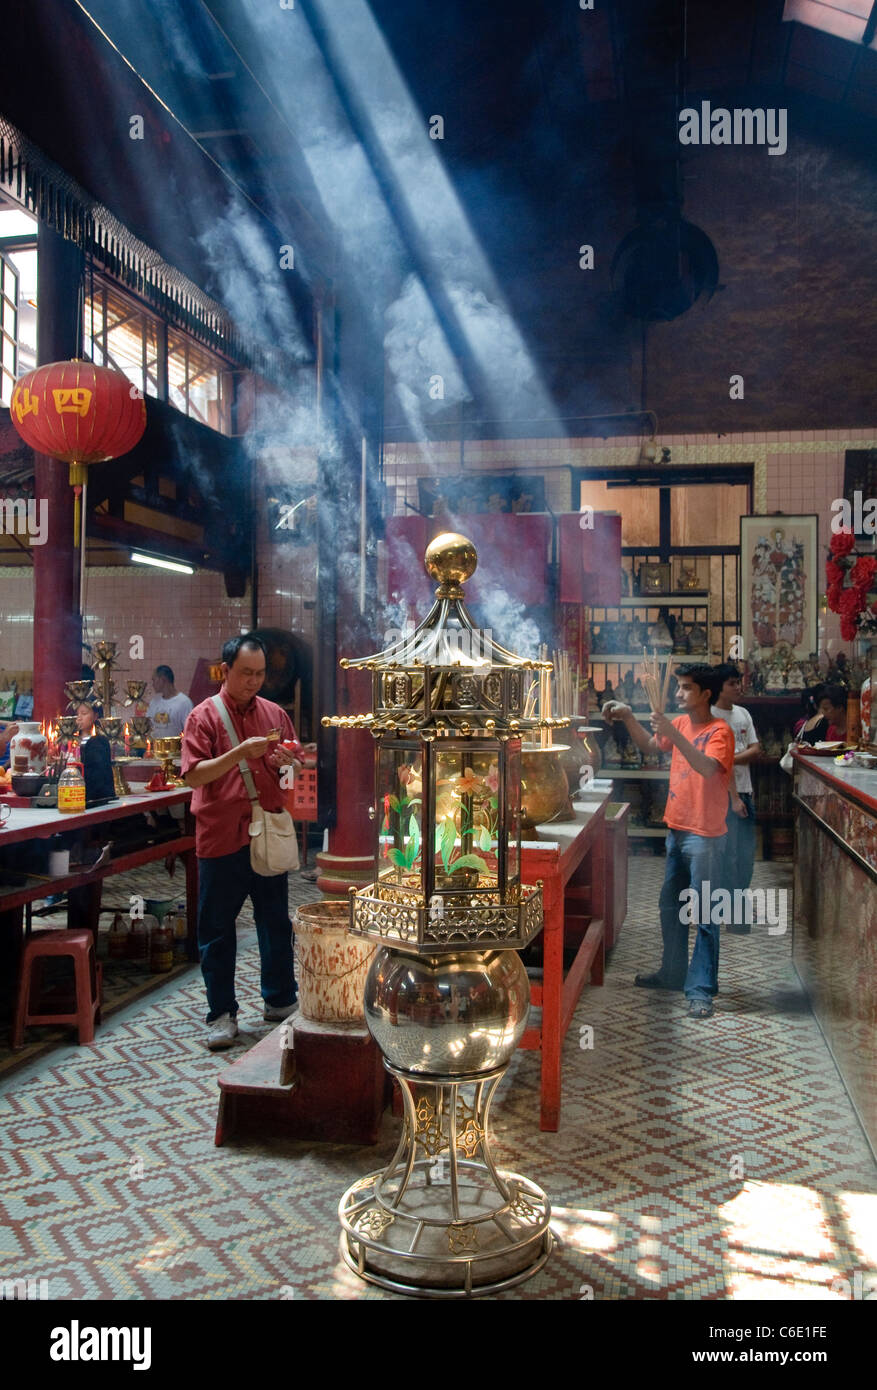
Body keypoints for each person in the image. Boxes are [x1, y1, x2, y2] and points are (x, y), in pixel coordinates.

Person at [181, 634, 304, 1050]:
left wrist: (287, 763)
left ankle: (280, 999)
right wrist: (239, 754)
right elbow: (194, 775)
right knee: (216, 928)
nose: (254, 681)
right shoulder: (203, 717)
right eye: (246, 673)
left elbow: (292, 768)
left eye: (260, 674)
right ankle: (221, 1014)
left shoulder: (274, 714)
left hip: (266, 831)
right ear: (225, 670)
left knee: (274, 921)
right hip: (221, 838)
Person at [603, 663, 734, 1019]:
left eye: (686, 688)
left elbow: (708, 768)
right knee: (670, 908)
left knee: (705, 915)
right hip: (677, 830)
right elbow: (649, 746)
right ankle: (673, 974)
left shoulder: (720, 730)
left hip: (705, 836)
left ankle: (701, 989)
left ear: (706, 694)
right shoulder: (677, 724)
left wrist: (676, 739)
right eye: (677, 687)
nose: (678, 694)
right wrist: (630, 715)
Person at [711, 663, 761, 935]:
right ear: (720, 687)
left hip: (745, 791)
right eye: (732, 683)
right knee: (725, 857)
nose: (738, 687)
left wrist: (731, 758)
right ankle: (725, 913)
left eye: (739, 682)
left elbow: (755, 749)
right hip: (721, 797)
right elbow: (717, 764)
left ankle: (737, 914)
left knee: (744, 857)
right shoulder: (710, 716)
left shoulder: (743, 714)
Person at [74, 702, 115, 803]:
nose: (79, 718)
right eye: (77, 714)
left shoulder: (100, 742)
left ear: (95, 716)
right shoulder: (70, 740)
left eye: (84, 713)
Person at [146, 666, 194, 737]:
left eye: (154, 680)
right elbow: (147, 727)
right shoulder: (154, 702)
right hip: (155, 747)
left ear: (163, 680)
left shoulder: (184, 703)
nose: (152, 684)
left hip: (175, 747)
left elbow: (191, 732)